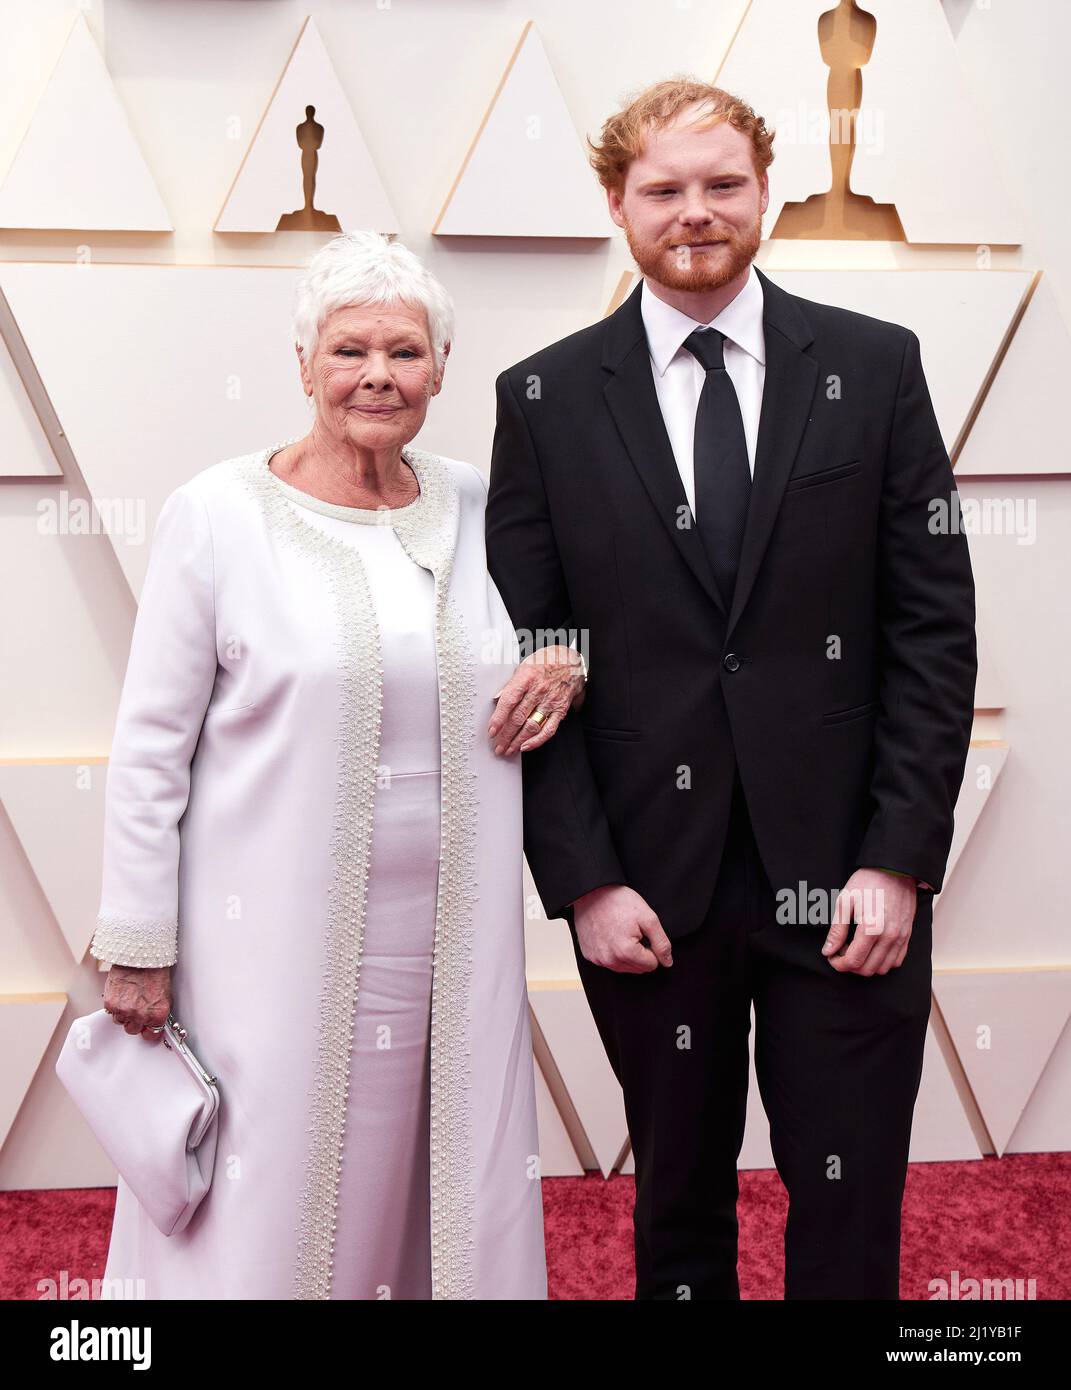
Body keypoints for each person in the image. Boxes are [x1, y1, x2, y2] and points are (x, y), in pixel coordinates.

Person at [485, 80, 977, 1300]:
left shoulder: (877, 367)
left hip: (850, 882)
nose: (695, 212)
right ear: (618, 203)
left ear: (766, 191)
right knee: (678, 1211)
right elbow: (535, 666)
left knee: (852, 1211)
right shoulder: (541, 400)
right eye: (663, 189)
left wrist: (899, 857)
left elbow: (934, 630)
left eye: (722, 185)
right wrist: (587, 880)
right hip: (650, 893)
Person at [90, 230, 584, 1300]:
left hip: (453, 944)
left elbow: (570, 627)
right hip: (262, 948)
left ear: (442, 371)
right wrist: (137, 939)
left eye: (404, 353)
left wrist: (565, 665)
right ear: (303, 364)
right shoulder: (217, 516)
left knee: (441, 1181)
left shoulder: (478, 503)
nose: (377, 376)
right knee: (270, 1192)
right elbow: (148, 749)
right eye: (348, 350)